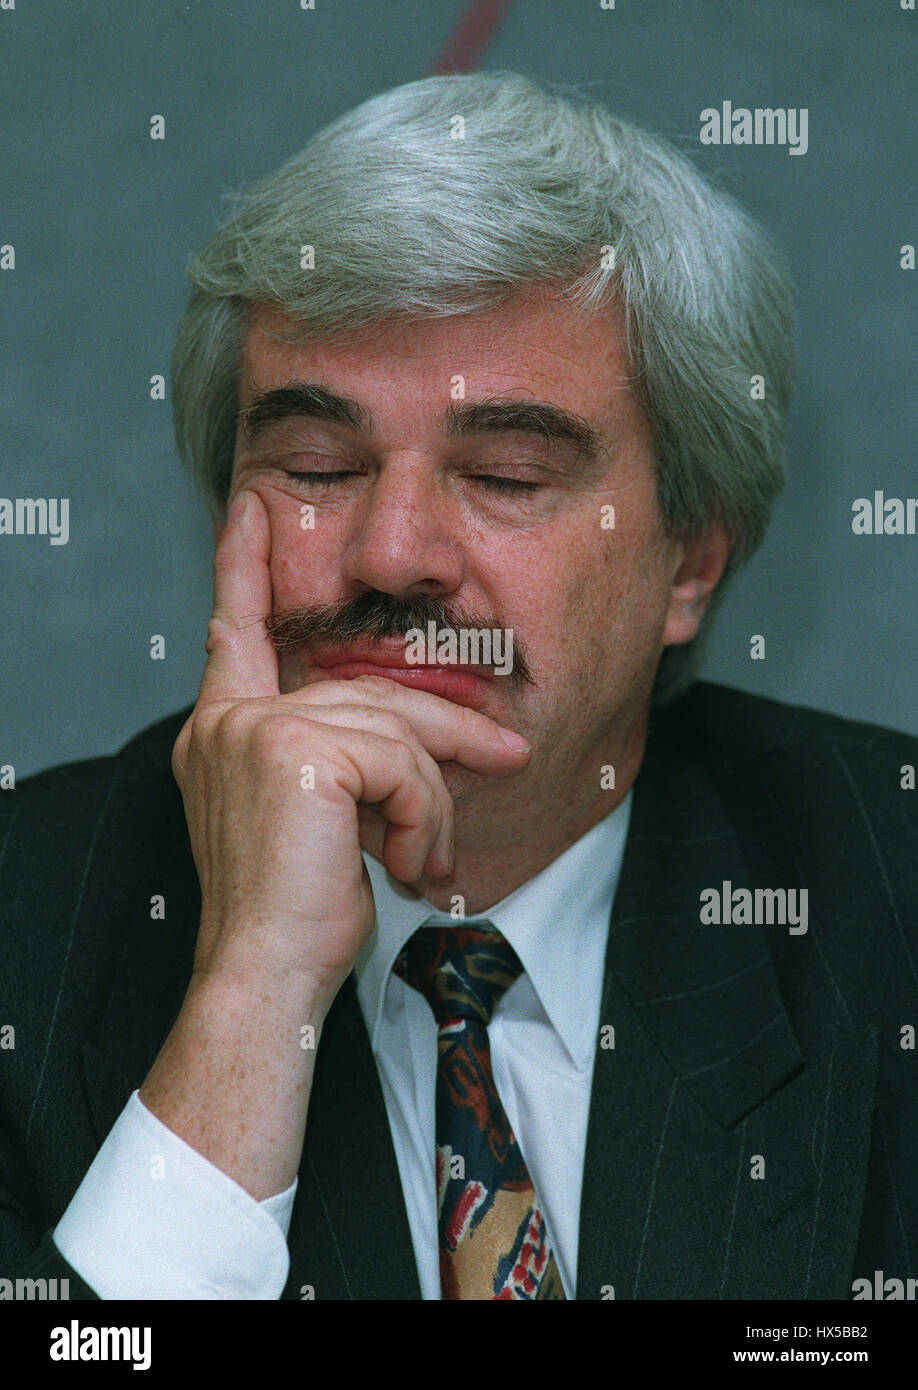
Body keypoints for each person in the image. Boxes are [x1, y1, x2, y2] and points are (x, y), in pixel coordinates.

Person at [1, 71, 915, 1302]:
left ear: (691, 560)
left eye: (507, 475)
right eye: (319, 464)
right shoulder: (28, 923)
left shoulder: (885, 894)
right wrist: (253, 990)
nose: (389, 554)